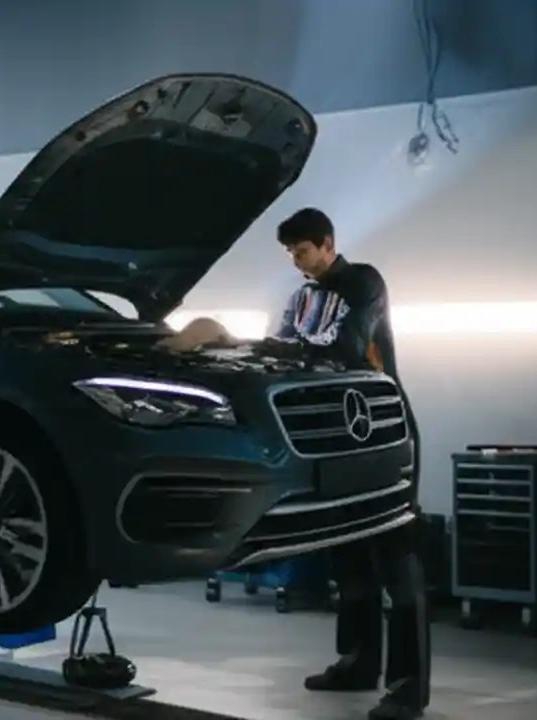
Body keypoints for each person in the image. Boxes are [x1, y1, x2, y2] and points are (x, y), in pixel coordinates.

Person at [163, 208, 430, 720]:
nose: (297, 263)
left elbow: (348, 346)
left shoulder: (363, 282)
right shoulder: (301, 297)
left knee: (396, 558)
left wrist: (278, 345)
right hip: (333, 439)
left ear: (328, 244)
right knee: (347, 555)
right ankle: (356, 663)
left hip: (379, 431)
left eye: (303, 252)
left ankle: (408, 687)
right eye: (290, 255)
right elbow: (284, 354)